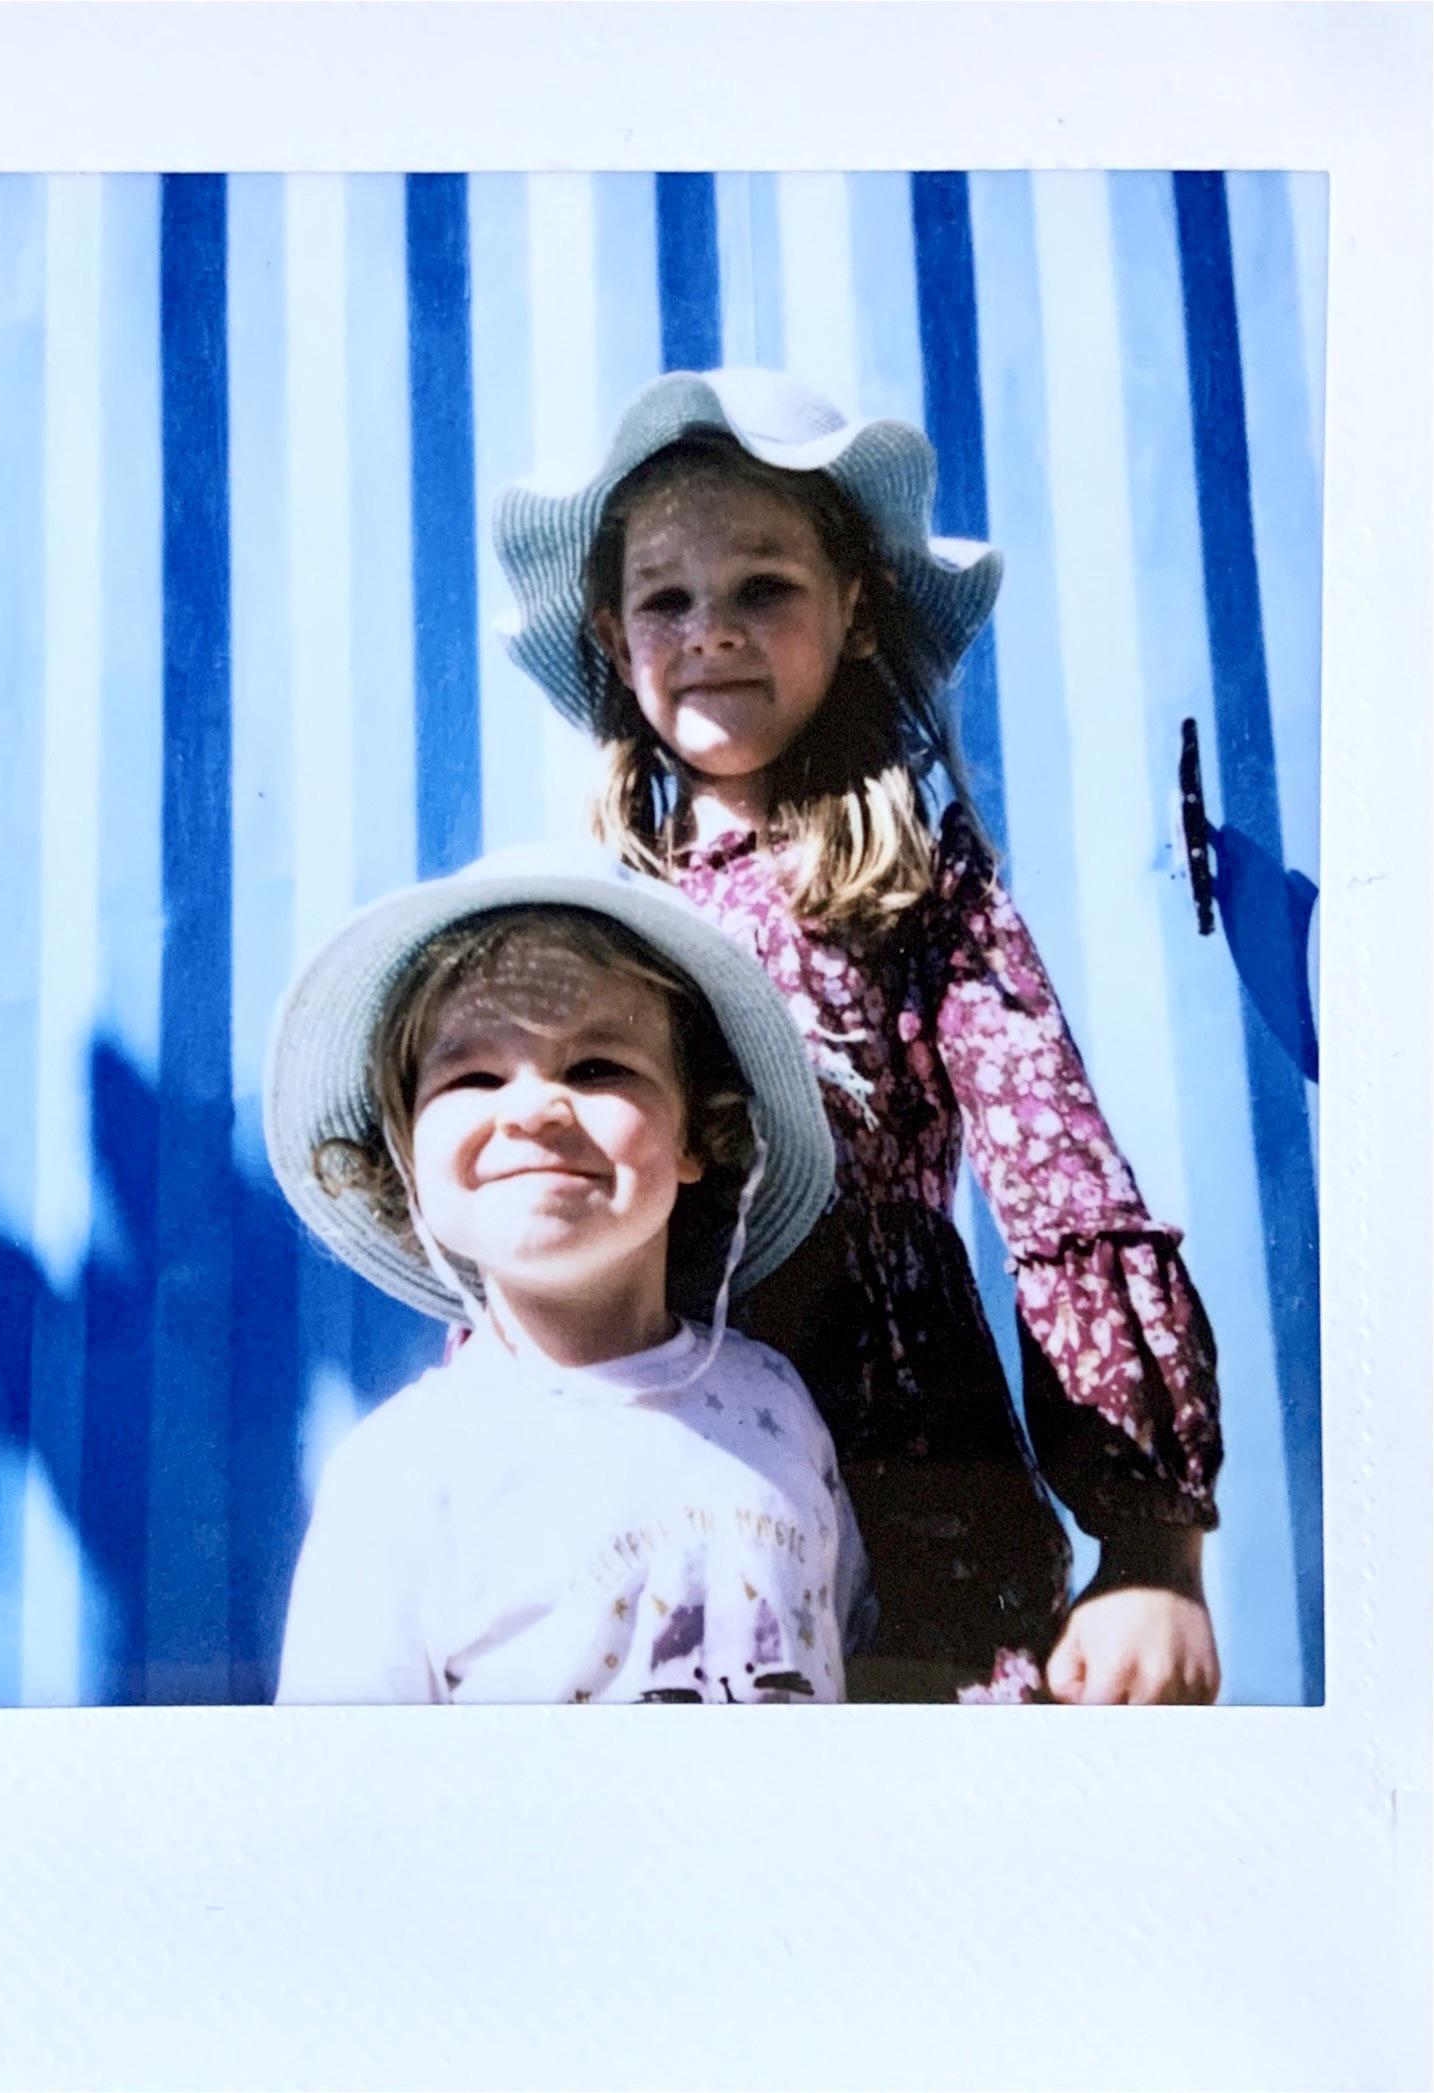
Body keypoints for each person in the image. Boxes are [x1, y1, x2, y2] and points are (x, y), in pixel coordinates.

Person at [493, 367, 1224, 1704]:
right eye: (666, 599)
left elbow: (1058, 1184)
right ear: (611, 634)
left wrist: (1147, 1547)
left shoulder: (917, 887)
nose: (709, 629)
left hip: (905, 1443)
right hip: (666, 1434)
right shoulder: (605, 914)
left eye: (762, 587)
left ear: (855, 609)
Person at [265, 846, 872, 1705]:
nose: (534, 1107)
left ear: (697, 1133)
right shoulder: (404, 1473)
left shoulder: (776, 1400)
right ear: (406, 1160)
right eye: (474, 1075)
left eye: (598, 1068)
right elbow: (341, 1792)